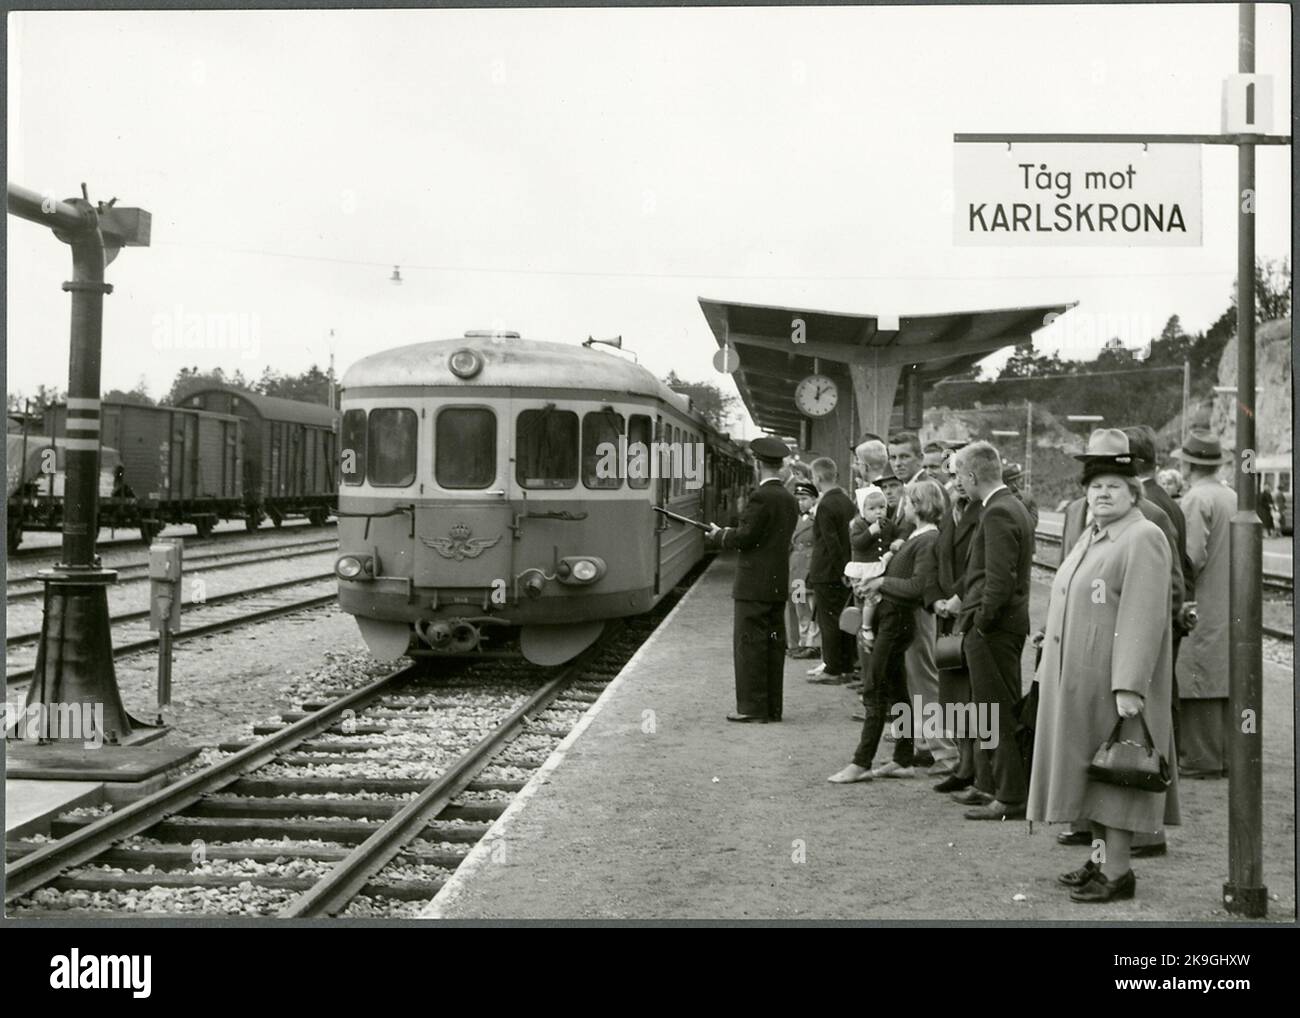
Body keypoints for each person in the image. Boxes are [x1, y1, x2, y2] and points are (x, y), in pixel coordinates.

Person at [1028, 429, 1180, 903]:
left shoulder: (1143, 536)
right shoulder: (1094, 534)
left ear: (1134, 492)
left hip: (1113, 688)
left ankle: (1117, 874)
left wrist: (1129, 686)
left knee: (1115, 781)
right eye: (1095, 486)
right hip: (1079, 683)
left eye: (1115, 485)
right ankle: (1098, 863)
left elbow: (1143, 614)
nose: (1103, 493)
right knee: (1090, 777)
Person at [827, 478, 944, 784]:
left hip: (896, 622)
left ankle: (861, 762)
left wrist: (880, 582)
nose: (900, 505)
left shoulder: (927, 539)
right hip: (891, 619)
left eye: (907, 501)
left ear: (917, 505)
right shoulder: (918, 536)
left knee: (874, 687)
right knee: (896, 689)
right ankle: (903, 759)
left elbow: (918, 586)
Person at [951, 441, 1035, 820]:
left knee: (995, 711)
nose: (958, 484)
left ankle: (1011, 795)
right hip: (1000, 627)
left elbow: (999, 582)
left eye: (958, 477)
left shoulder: (998, 513)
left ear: (971, 476)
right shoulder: (1008, 506)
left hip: (993, 630)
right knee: (987, 708)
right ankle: (988, 783)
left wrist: (980, 623)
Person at [705, 436, 800, 723]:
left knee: (750, 647)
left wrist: (720, 535)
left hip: (752, 585)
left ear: (758, 464)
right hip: (775, 584)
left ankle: (751, 708)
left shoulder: (761, 497)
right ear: (781, 464)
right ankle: (772, 708)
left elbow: (746, 537)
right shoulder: (788, 498)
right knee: (772, 646)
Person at [1172, 430, 1234, 777]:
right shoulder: (1231, 495)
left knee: (1198, 676)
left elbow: (1191, 556)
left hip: (1202, 602)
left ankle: (1200, 758)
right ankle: (1223, 755)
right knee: (1221, 676)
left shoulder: (1196, 499)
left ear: (1187, 463)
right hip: (1227, 602)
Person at [929, 448, 983, 793]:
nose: (958, 483)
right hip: (947, 613)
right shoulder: (950, 514)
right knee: (952, 692)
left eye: (964, 476)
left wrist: (957, 599)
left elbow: (981, 565)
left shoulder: (986, 513)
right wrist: (934, 597)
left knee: (974, 694)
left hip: (969, 610)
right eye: (953, 476)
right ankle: (963, 763)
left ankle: (975, 766)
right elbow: (936, 558)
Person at [806, 456, 857, 684]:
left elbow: (830, 542)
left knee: (829, 621)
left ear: (817, 478)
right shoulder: (847, 502)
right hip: (843, 569)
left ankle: (833, 669)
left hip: (828, 572)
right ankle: (846, 666)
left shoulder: (825, 504)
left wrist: (841, 570)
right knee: (843, 620)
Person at [785, 481, 821, 660]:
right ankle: (802, 642)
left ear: (814, 499)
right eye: (798, 499)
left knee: (812, 607)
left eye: (804, 498)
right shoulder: (797, 519)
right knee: (801, 609)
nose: (800, 502)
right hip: (797, 572)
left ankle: (812, 644)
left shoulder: (818, 519)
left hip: (810, 570)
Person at [1002, 462, 1038, 529]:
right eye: (1019, 478)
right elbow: (1033, 524)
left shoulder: (997, 498)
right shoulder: (1028, 498)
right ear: (1014, 482)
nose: (1021, 480)